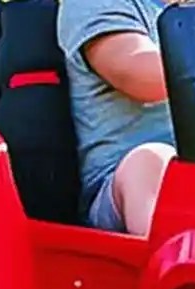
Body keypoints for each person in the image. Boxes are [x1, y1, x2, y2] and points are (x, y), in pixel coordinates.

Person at [58, 0, 178, 236]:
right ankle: (177, 266)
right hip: (119, 191)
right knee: (150, 161)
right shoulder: (95, 5)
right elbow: (143, 77)